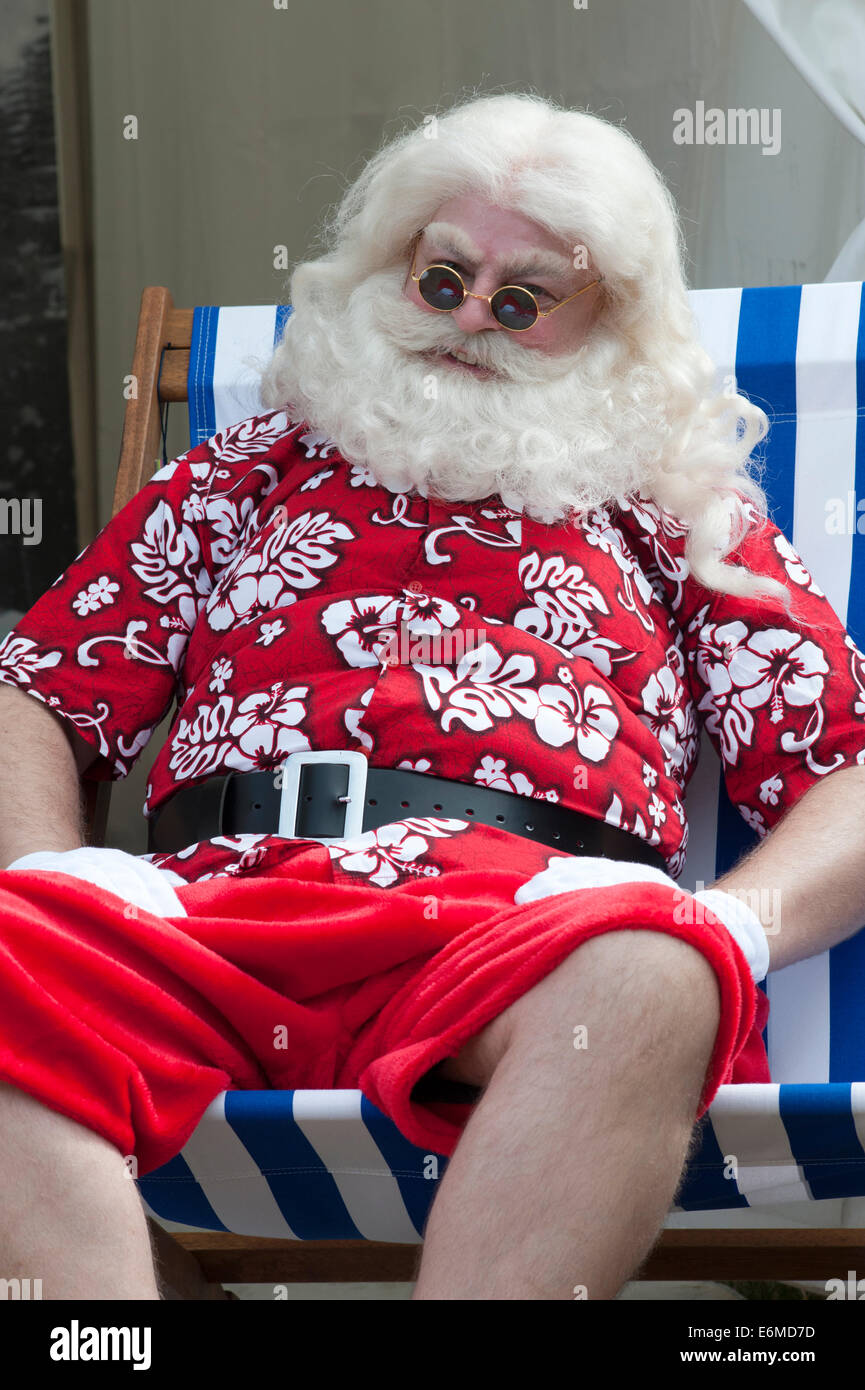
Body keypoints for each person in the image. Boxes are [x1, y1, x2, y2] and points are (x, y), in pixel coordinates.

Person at [2, 91, 865, 1303]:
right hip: (207, 917)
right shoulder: (246, 470)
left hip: (524, 927)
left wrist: (732, 924)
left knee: (651, 978)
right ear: (389, 269)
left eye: (522, 302)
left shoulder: (680, 512)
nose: (468, 321)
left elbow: (848, 770)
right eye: (441, 279)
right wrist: (45, 871)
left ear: (608, 323)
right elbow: (39, 692)